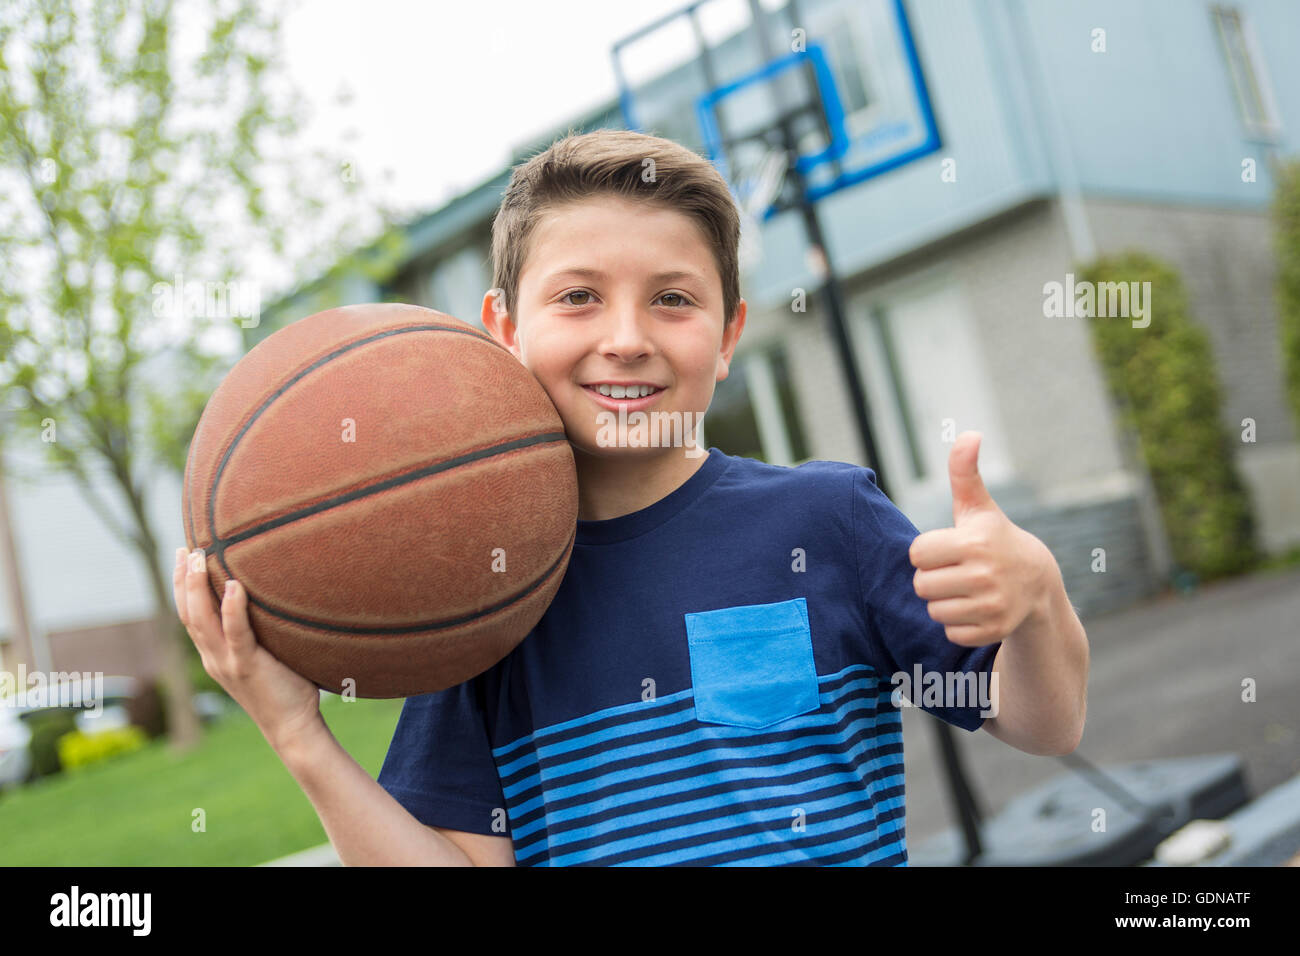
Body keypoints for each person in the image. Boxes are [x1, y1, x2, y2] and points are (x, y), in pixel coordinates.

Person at [174, 128, 1089, 866]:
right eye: (577, 297)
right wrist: (296, 732)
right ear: (503, 329)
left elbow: (1044, 722)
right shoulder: (474, 600)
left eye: (673, 301)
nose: (625, 338)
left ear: (728, 334)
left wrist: (1039, 597)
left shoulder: (826, 519)